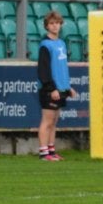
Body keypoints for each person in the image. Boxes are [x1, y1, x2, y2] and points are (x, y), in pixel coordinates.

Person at [34, 10, 74, 161]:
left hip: (61, 88)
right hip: (49, 90)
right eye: (51, 23)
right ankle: (44, 153)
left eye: (57, 23)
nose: (55, 26)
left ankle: (51, 151)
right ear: (46, 26)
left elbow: (62, 68)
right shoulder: (45, 45)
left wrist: (68, 87)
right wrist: (51, 88)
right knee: (47, 121)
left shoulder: (61, 43)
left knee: (54, 121)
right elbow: (43, 70)